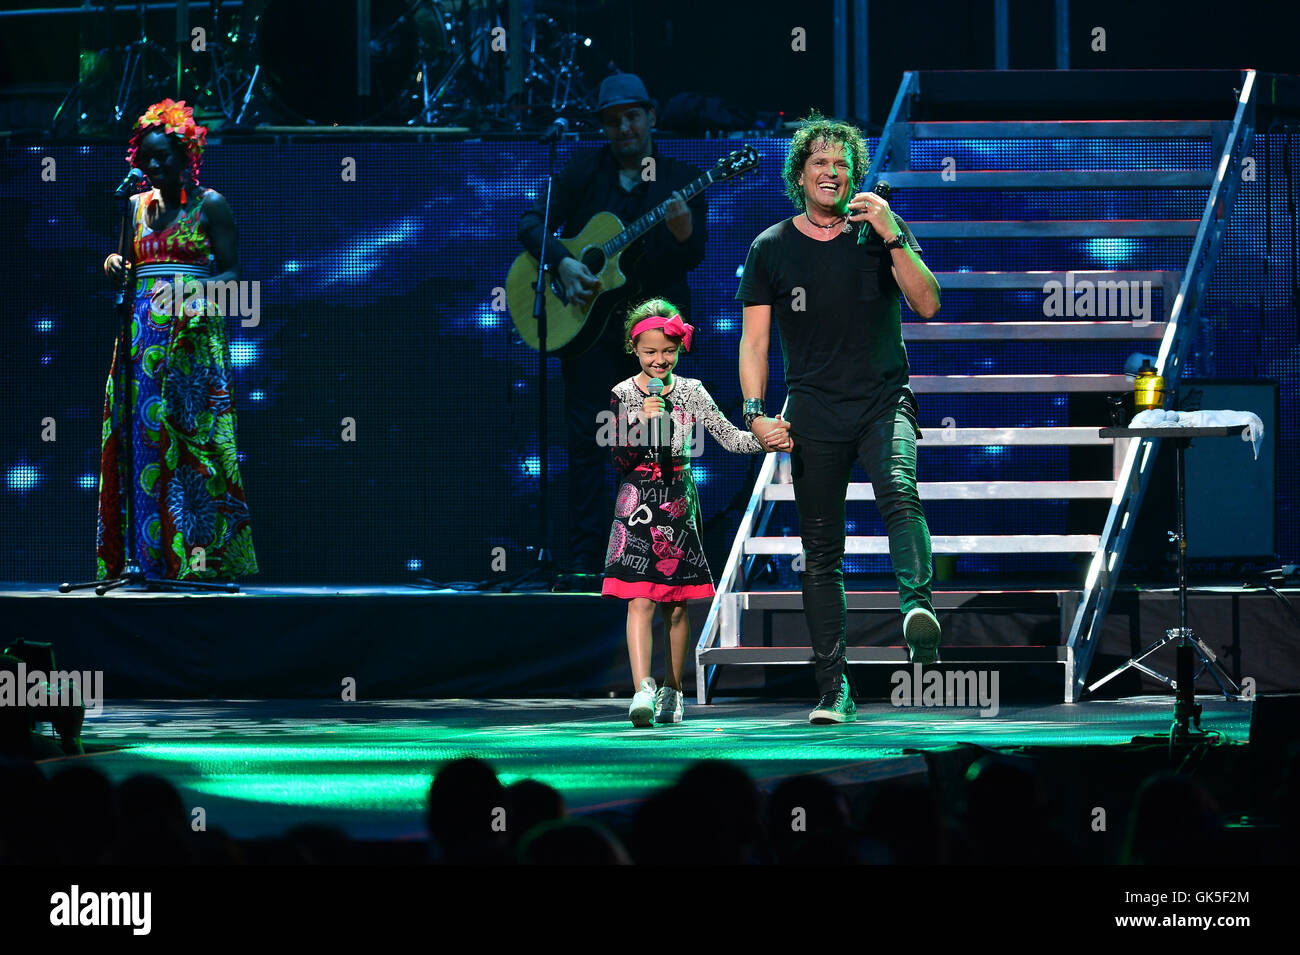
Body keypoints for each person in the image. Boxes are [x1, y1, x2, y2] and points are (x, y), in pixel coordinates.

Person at [736, 111, 942, 724]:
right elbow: (754, 342)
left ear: (855, 176)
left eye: (842, 163)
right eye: (820, 162)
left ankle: (917, 612)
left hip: (883, 399)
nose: (832, 171)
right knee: (820, 551)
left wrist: (892, 234)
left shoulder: (879, 231)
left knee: (899, 490)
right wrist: (753, 413)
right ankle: (834, 687)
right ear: (800, 175)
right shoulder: (770, 248)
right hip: (814, 411)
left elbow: (928, 304)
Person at [517, 73, 708, 577]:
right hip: (588, 336)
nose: (624, 127)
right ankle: (583, 561)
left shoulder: (679, 180)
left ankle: (653, 562)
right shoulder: (583, 171)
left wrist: (683, 232)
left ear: (651, 118)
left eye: (632, 116)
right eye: (613, 120)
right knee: (585, 444)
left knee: (656, 445)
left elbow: (692, 258)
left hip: (655, 338)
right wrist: (562, 261)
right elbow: (530, 224)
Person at [601, 299, 787, 726]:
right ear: (634, 348)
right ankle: (642, 688)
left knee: (677, 606)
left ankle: (673, 688)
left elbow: (729, 437)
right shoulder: (623, 395)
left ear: (679, 349)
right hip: (636, 501)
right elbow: (618, 458)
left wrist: (767, 438)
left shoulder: (692, 391)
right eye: (650, 352)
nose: (659, 360)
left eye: (667, 351)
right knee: (639, 599)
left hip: (677, 502)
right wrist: (641, 424)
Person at [99, 99, 256, 580]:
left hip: (191, 342)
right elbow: (128, 268)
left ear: (187, 154)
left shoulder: (210, 205)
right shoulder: (135, 208)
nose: (152, 165)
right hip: (142, 343)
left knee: (193, 447)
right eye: (144, 157)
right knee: (141, 444)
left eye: (162, 156)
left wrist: (191, 290)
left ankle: (197, 563)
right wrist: (113, 264)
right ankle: (145, 560)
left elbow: (232, 277)